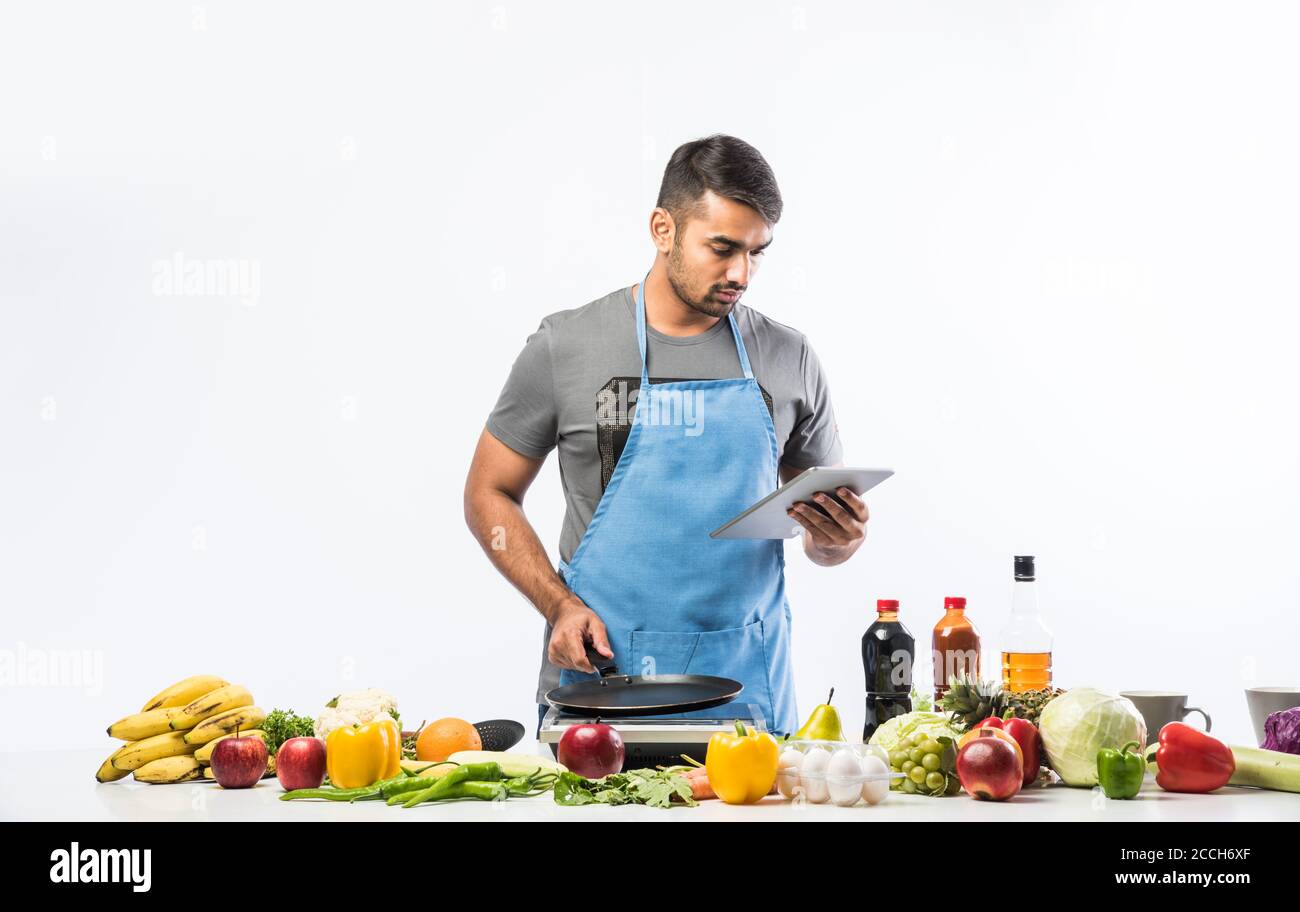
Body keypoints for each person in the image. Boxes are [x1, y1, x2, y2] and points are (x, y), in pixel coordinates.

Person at [464, 134, 870, 737]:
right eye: (723, 248)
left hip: (748, 702)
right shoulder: (565, 346)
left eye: (757, 253)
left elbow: (821, 534)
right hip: (601, 691)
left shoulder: (789, 357)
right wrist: (558, 605)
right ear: (663, 229)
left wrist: (837, 541)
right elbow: (487, 494)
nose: (742, 274)